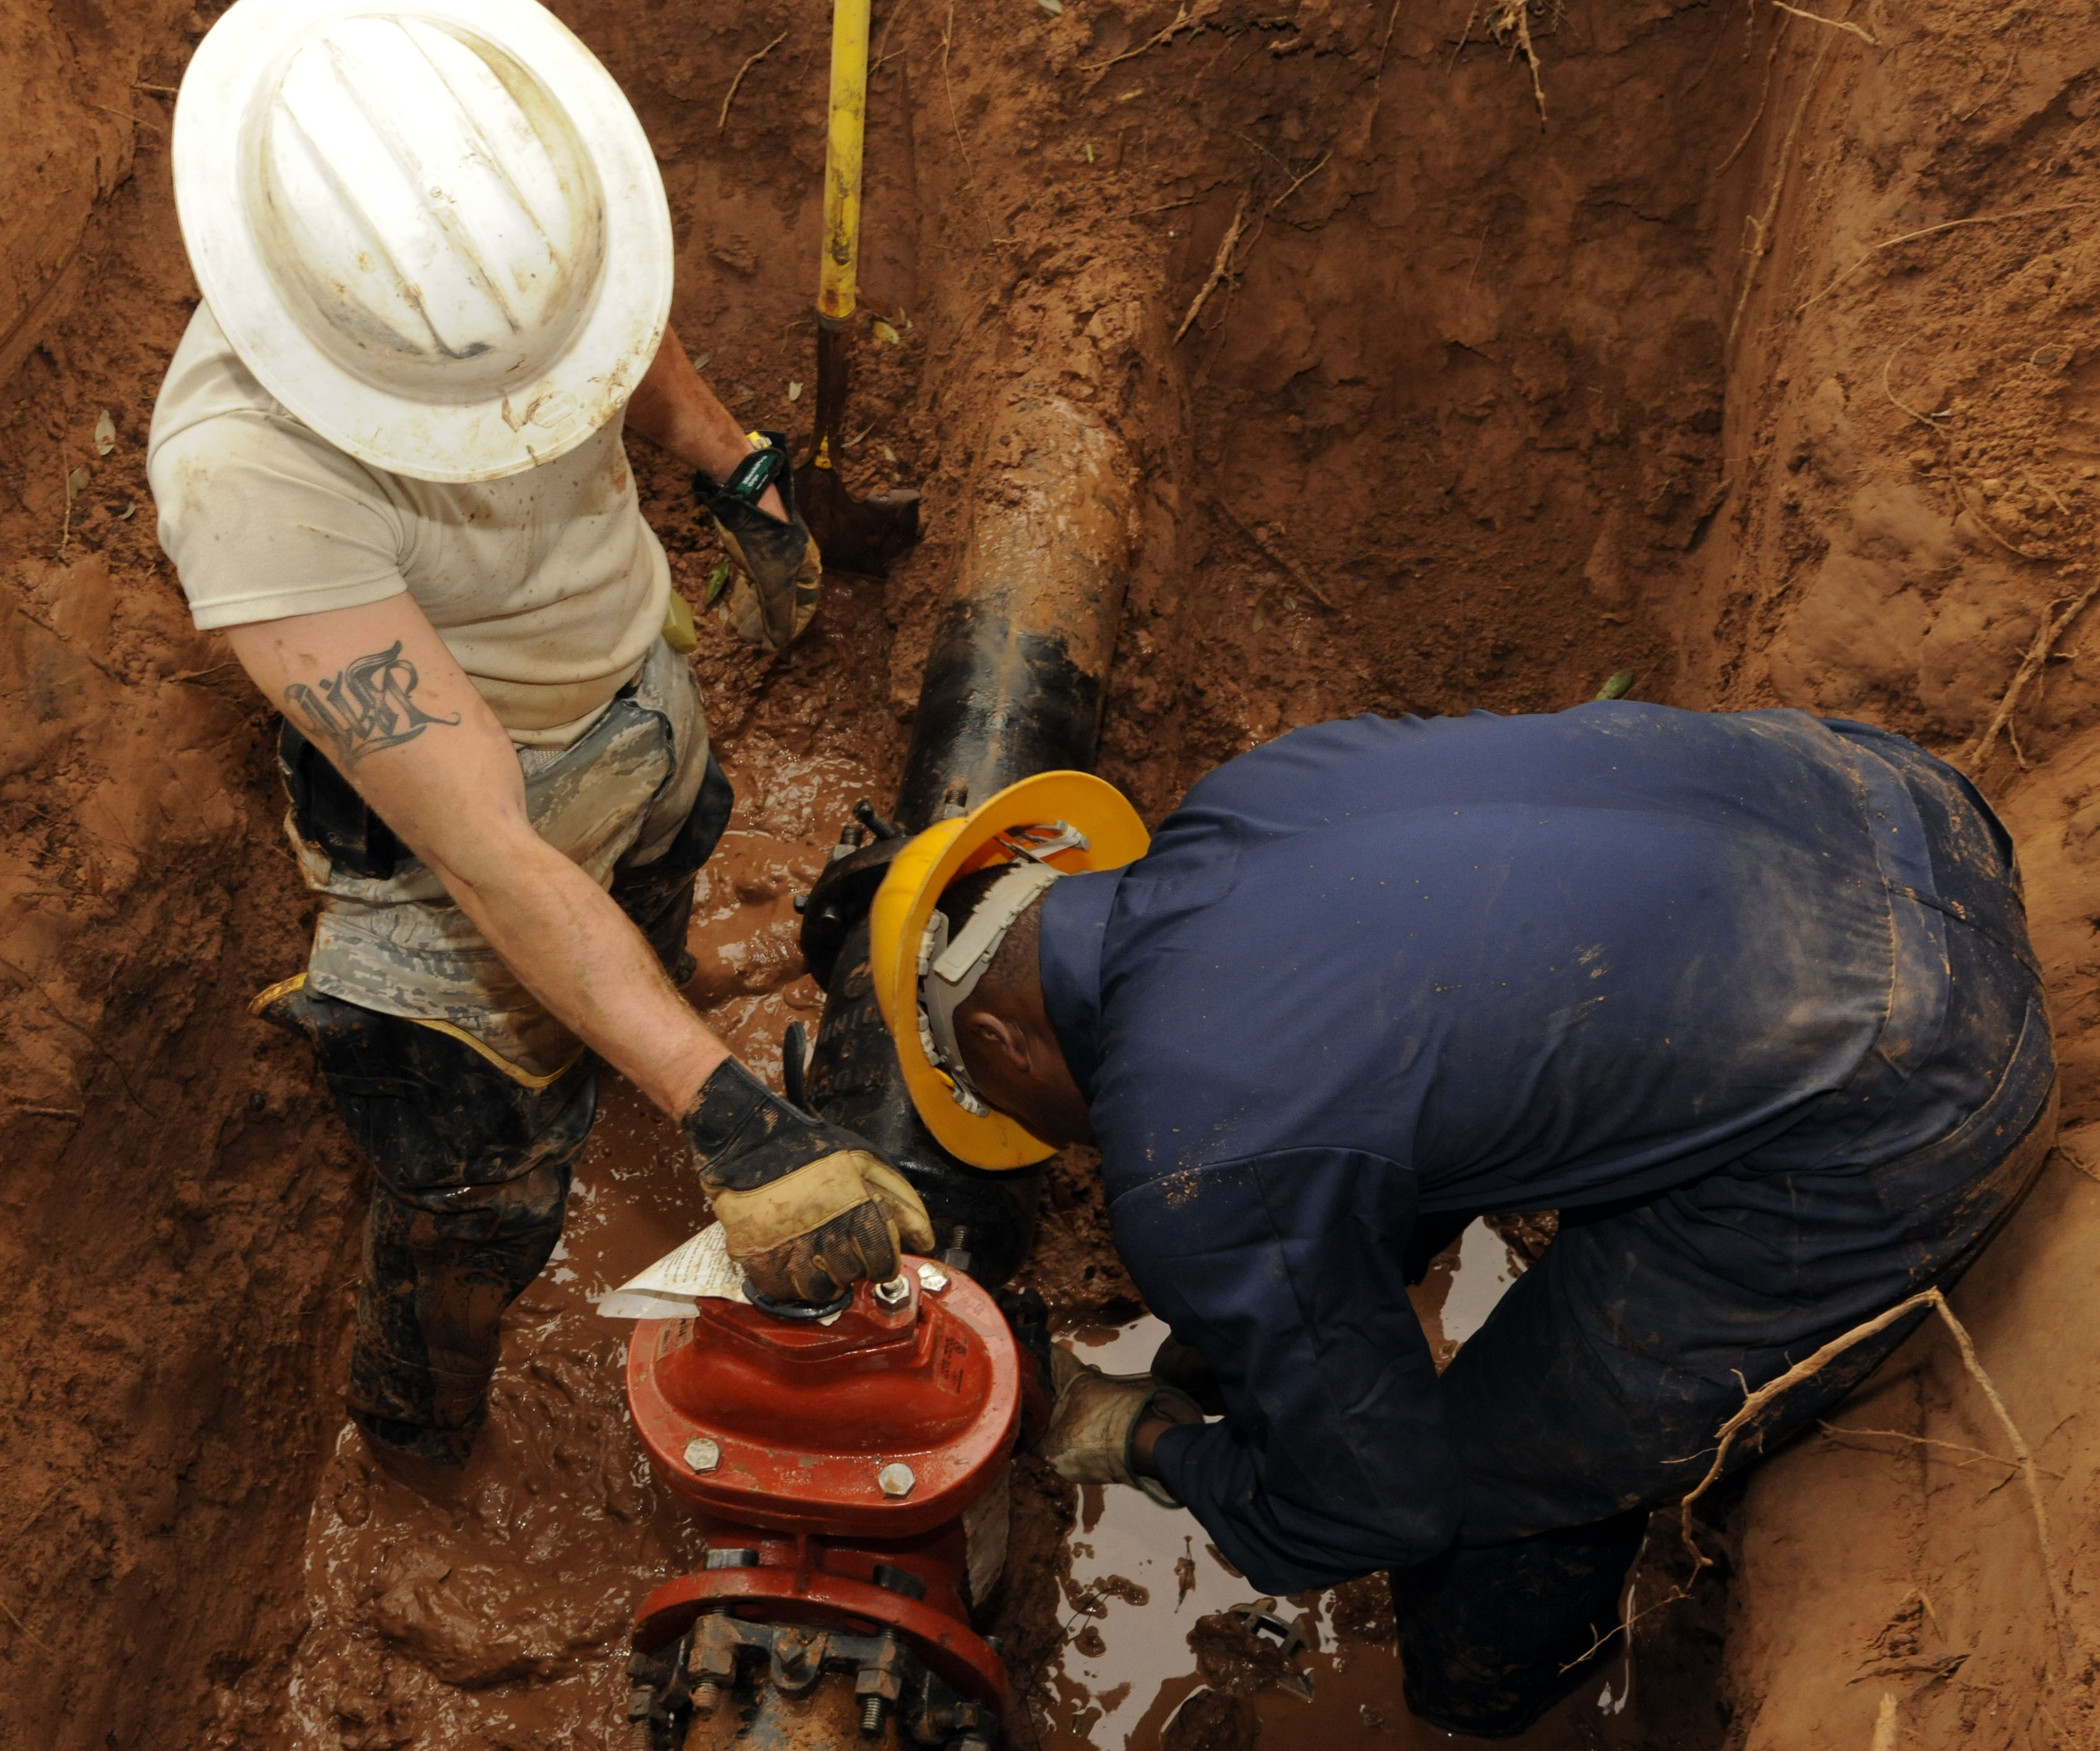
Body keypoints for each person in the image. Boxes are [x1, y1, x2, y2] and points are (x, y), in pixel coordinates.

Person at [861, 707, 2054, 1737]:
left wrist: (1144, 1441)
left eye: (983, 1094)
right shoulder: (1249, 796)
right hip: (1900, 804)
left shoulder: (1191, 1158)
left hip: (1909, 1083)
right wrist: (1244, 1339)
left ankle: (1501, 1700)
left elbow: (1375, 1506)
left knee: (1483, 1492)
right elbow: (1417, 1054)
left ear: (1000, 1040)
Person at [147, 0, 930, 1472]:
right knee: (476, 1184)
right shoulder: (246, 470)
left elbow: (604, 328)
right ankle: (420, 1426)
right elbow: (489, 848)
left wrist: (732, 463)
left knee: (670, 864)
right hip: (468, 811)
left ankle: (638, 1013)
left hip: (637, 688)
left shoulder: (516, 153)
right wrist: (727, 1111)